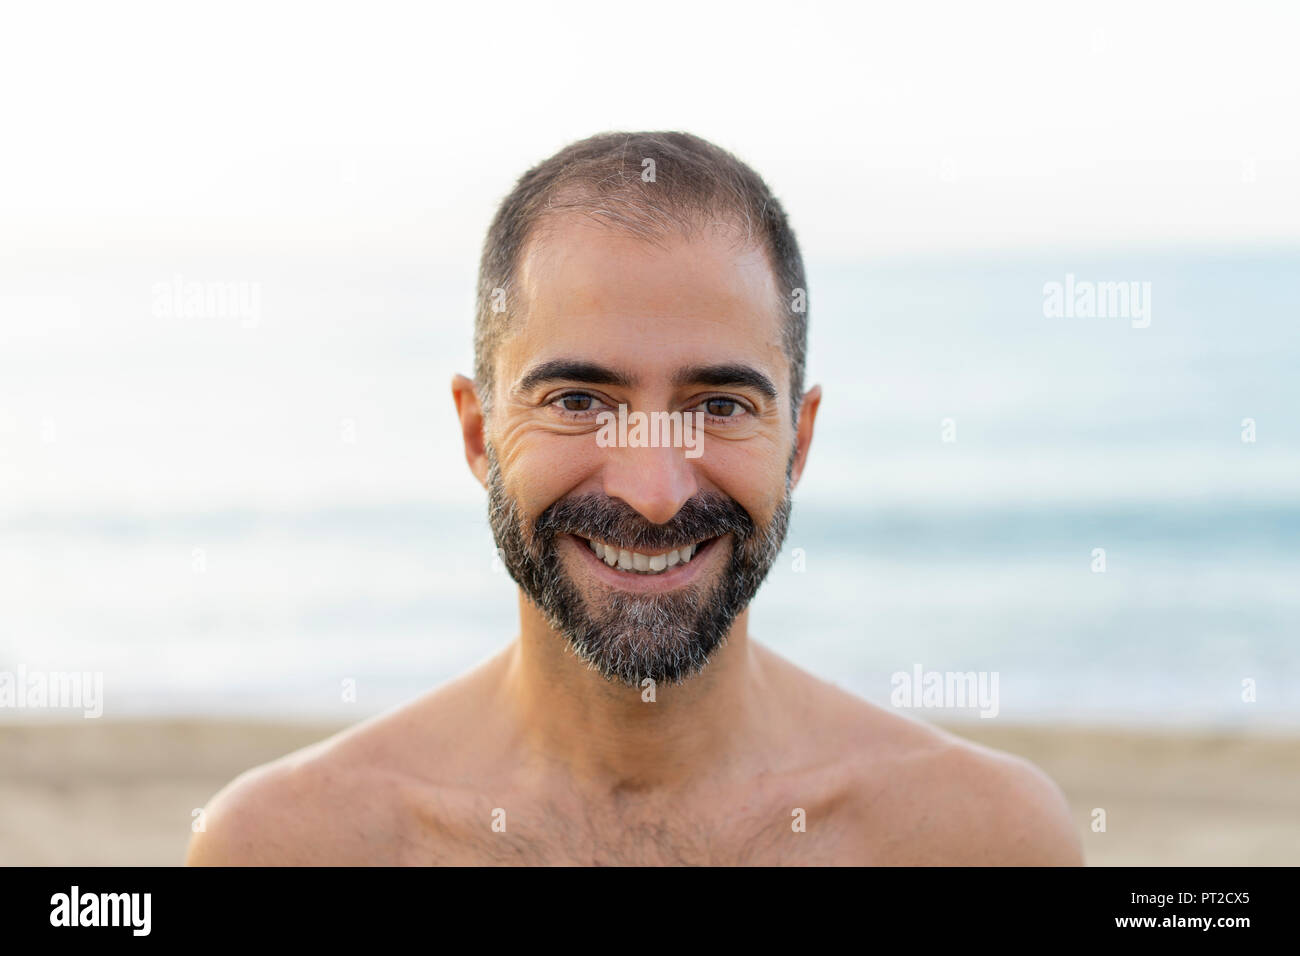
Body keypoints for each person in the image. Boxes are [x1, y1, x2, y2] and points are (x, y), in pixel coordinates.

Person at [187, 131, 1082, 865]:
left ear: (798, 443)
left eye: (719, 406)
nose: (654, 493)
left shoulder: (984, 840)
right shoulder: (286, 848)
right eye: (579, 402)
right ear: (478, 433)